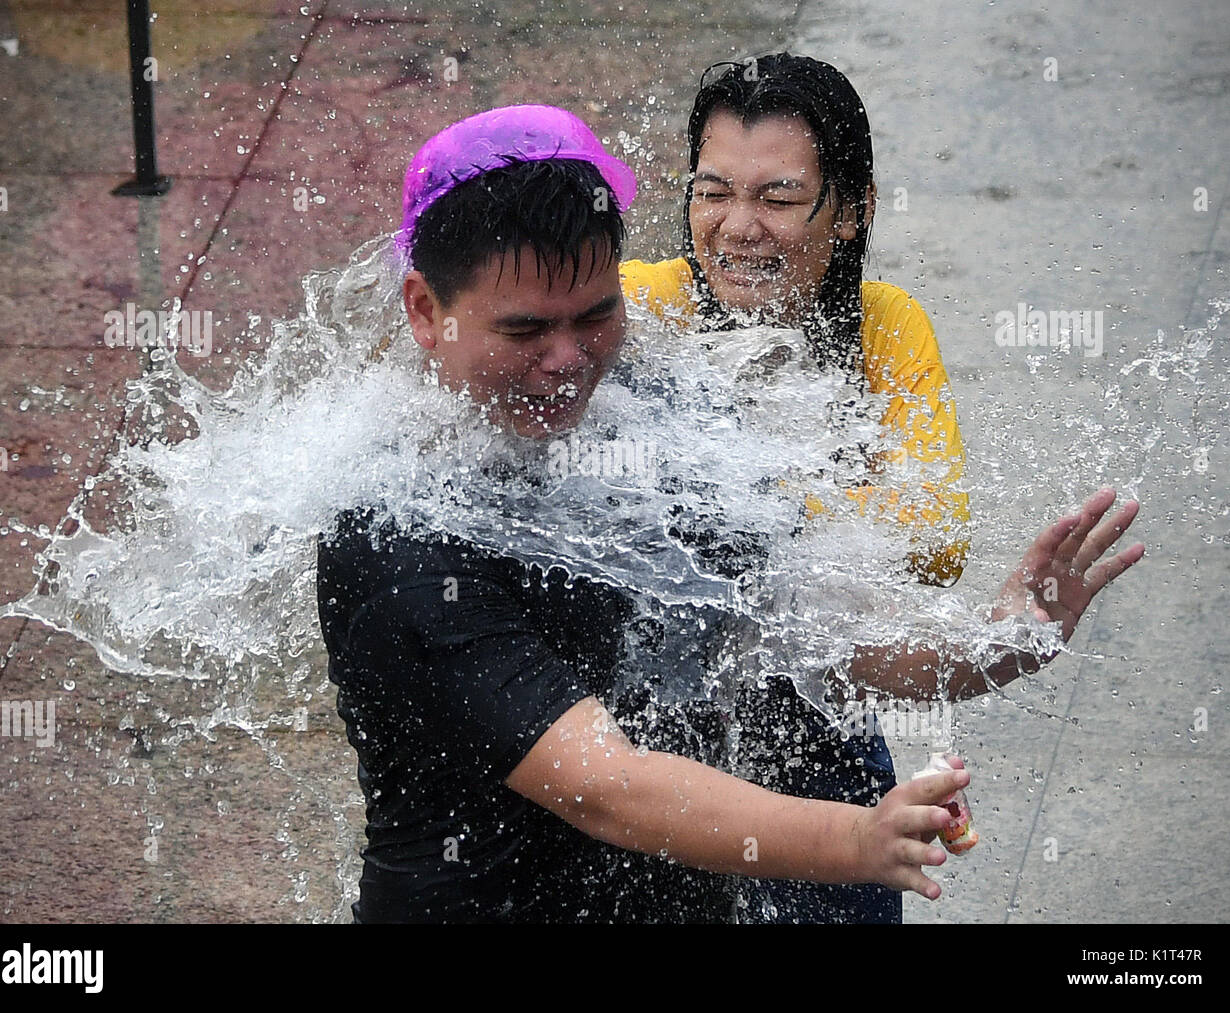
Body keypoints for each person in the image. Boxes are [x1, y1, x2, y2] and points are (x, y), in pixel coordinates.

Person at [317, 104, 1144, 923]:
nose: (568, 362)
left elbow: (800, 627)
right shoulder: (397, 531)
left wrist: (994, 644)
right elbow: (610, 786)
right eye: (525, 328)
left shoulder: (659, 416)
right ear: (426, 310)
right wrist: (856, 839)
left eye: (597, 314)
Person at [621, 54, 974, 922]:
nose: (738, 228)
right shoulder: (637, 312)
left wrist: (749, 498)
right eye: (712, 193)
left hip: (817, 738)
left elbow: (932, 542)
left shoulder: (885, 331)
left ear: (852, 210)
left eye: (776, 198)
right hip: (651, 744)